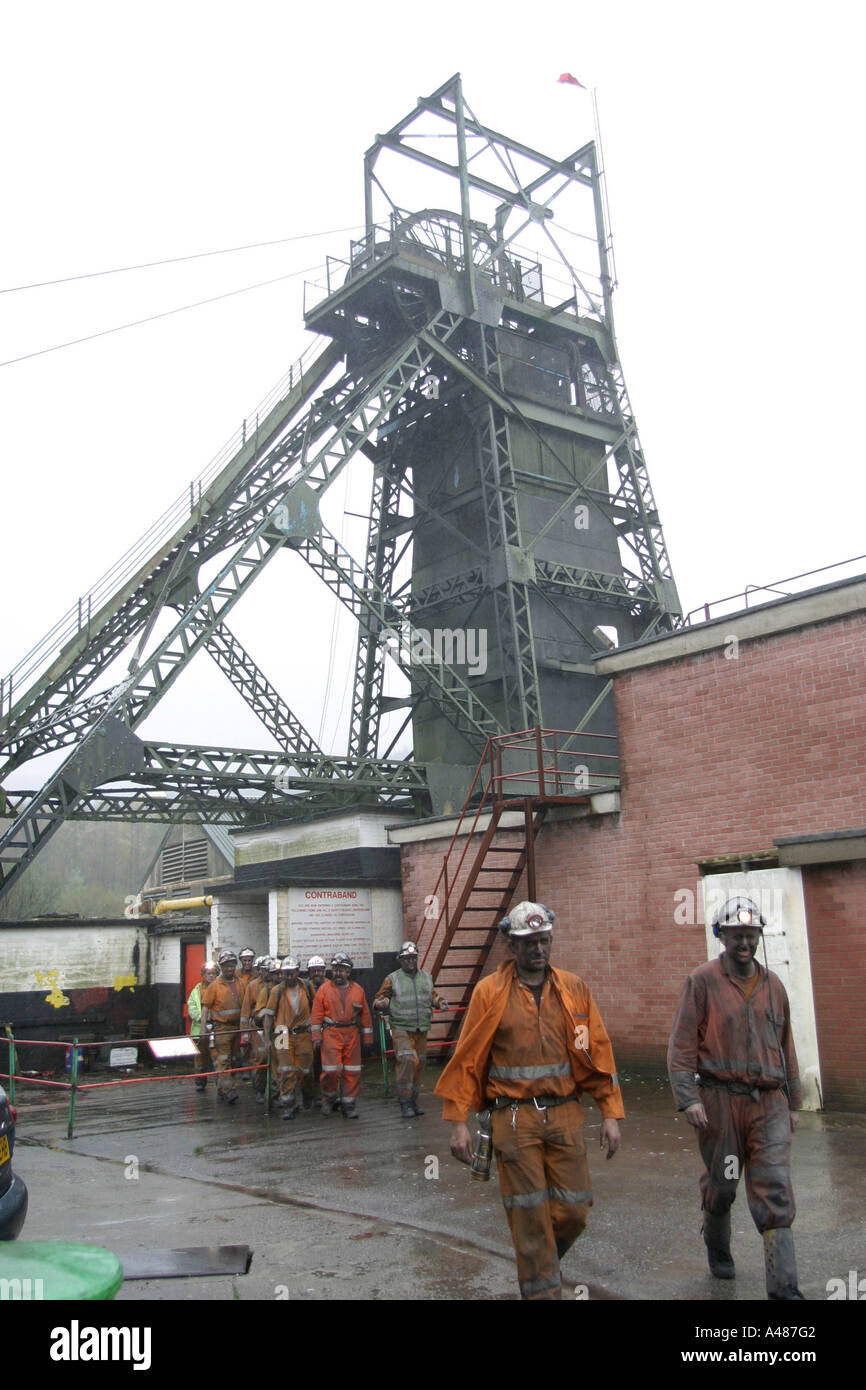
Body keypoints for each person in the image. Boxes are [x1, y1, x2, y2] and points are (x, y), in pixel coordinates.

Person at [435, 901, 623, 1301]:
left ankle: (540, 1266)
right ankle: (542, 1293)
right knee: (530, 1217)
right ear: (512, 946)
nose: (538, 949)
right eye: (529, 943)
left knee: (574, 1210)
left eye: (544, 941)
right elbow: (467, 1059)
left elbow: (599, 1053)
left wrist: (610, 1111)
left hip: (566, 1115)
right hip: (514, 1122)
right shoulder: (490, 992)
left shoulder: (573, 990)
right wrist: (457, 1122)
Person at [668, 895, 804, 1300]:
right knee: (724, 1183)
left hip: (768, 1104)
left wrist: (793, 1102)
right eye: (736, 935)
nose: (744, 943)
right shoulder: (702, 981)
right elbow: (681, 1045)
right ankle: (717, 1247)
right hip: (720, 1105)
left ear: (758, 936)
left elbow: (787, 1046)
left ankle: (784, 1290)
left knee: (774, 1186)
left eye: (751, 935)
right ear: (722, 937)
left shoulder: (774, 985)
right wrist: (688, 1098)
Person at [373, 941, 447, 1117]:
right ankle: (404, 1102)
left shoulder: (426, 978)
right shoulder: (393, 978)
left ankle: (413, 1100)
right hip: (401, 1027)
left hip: (421, 1028)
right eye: (407, 959)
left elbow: (432, 996)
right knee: (407, 1061)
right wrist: (381, 1003)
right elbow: (379, 998)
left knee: (419, 1064)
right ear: (400, 960)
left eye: (413, 958)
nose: (410, 962)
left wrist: (439, 1002)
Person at [310, 953, 373, 1119]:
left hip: (351, 1033)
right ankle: (329, 1098)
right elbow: (316, 1016)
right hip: (331, 1033)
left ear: (349, 971)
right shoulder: (324, 990)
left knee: (352, 1071)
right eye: (336, 969)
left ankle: (349, 1104)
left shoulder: (358, 990)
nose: (338, 973)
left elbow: (365, 1015)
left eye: (342, 970)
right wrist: (316, 1036)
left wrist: (367, 1037)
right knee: (331, 1070)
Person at [262, 958, 313, 1120]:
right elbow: (268, 1017)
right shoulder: (276, 991)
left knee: (305, 1070)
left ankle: (307, 1097)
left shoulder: (307, 987)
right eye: (285, 973)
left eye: (291, 972)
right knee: (285, 1070)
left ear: (298, 972)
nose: (289, 976)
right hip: (281, 1033)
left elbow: (317, 1009)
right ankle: (288, 1105)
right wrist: (267, 1039)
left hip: (304, 1033)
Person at [200, 950, 244, 1104]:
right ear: (221, 967)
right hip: (222, 1029)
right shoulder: (215, 986)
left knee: (235, 1059)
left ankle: (221, 1088)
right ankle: (228, 1091)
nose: (229, 969)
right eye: (226, 966)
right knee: (224, 1060)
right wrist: (203, 1027)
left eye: (231, 965)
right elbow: (205, 1007)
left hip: (237, 1028)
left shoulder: (240, 983)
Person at [188, 960, 218, 1092]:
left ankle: (220, 1083)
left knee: (217, 1057)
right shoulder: (196, 990)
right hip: (200, 1029)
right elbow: (192, 1007)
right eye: (208, 973)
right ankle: (200, 1081)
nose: (211, 976)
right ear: (203, 975)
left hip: (217, 1027)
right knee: (200, 1057)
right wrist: (201, 1019)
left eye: (213, 973)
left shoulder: (221, 988)